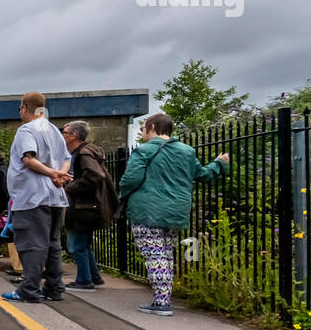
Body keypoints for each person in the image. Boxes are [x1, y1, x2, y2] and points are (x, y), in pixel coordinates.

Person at [118, 112, 229, 316]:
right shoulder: (186, 151)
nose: (142, 132)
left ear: (152, 127)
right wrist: (219, 163)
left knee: (154, 254)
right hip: (176, 209)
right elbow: (202, 175)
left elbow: (130, 179)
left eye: (143, 128)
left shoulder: (143, 150)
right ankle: (164, 297)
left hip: (147, 210)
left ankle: (162, 303)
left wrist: (122, 194)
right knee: (165, 254)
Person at [1, 92, 71, 304]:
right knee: (52, 244)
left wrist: (53, 174)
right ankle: (54, 288)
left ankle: (28, 290)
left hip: (32, 197)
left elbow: (28, 159)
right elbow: (67, 159)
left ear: (24, 107)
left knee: (32, 244)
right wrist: (60, 175)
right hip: (55, 197)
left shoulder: (26, 130)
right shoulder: (54, 130)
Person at [61, 121, 118, 291]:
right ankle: (94, 276)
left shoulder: (83, 154)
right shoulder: (86, 152)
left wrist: (70, 188)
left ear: (73, 136)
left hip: (83, 206)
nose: (62, 135)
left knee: (76, 245)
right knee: (84, 244)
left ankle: (84, 281)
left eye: (64, 132)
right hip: (89, 206)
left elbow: (95, 175)